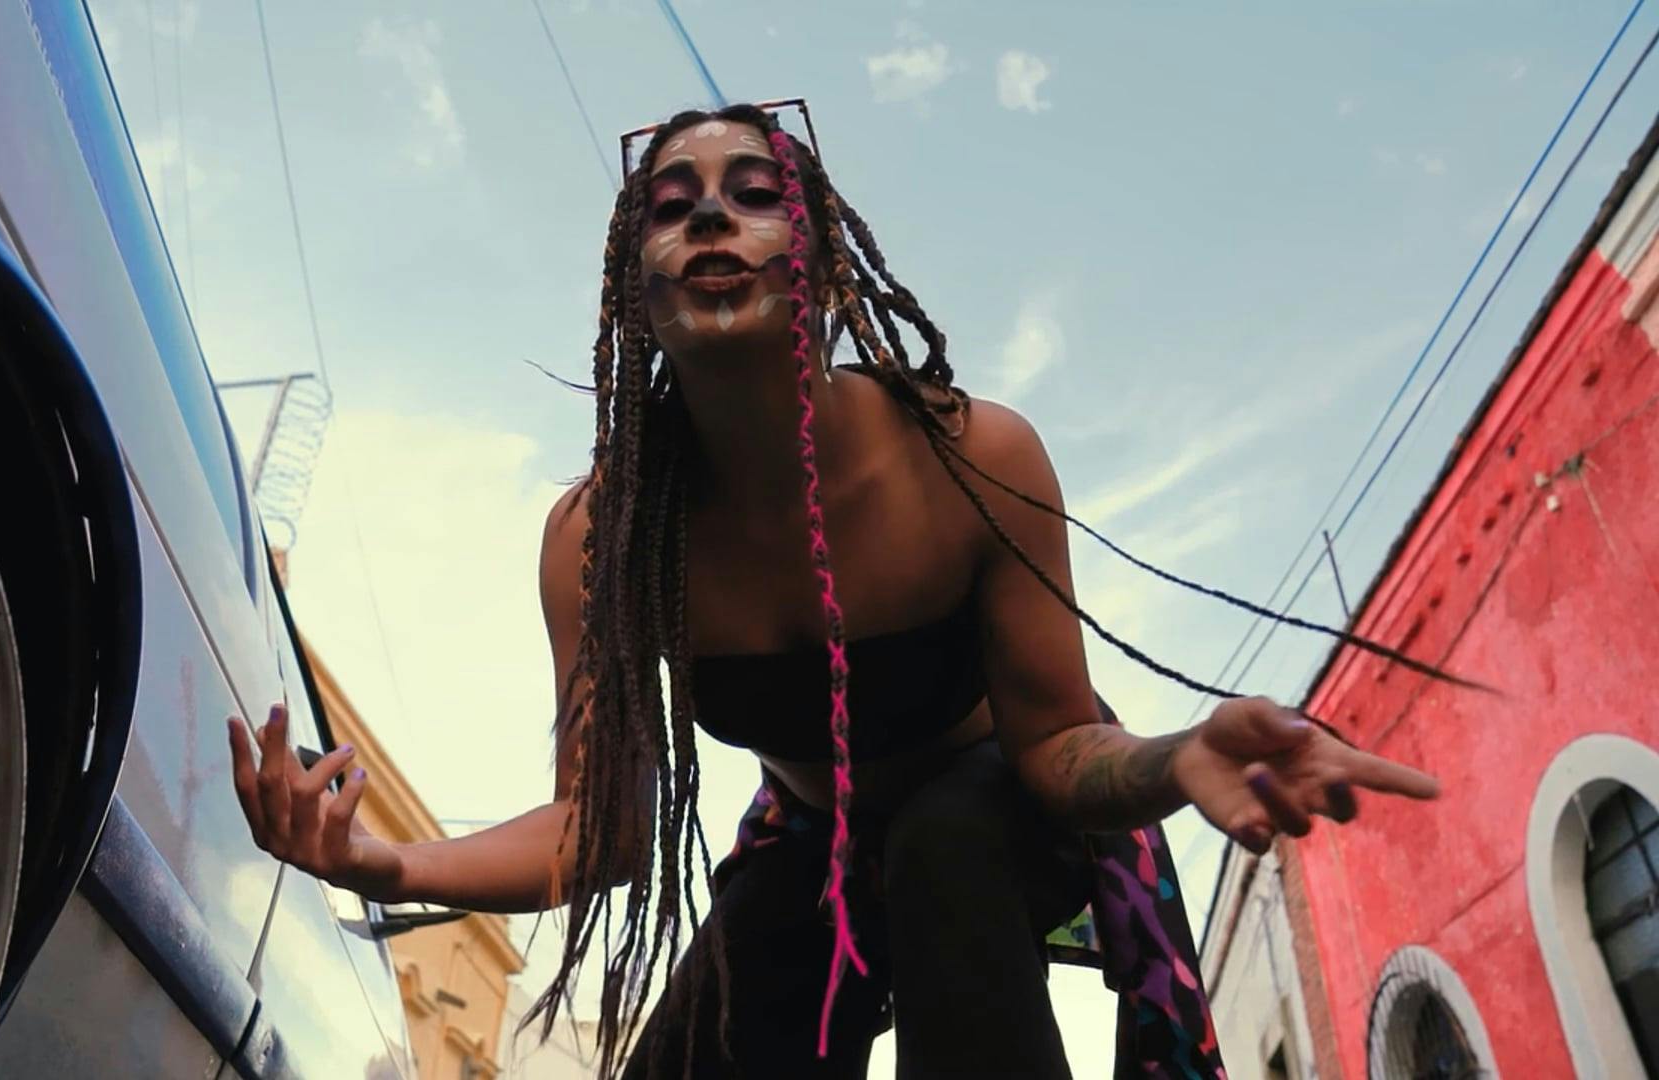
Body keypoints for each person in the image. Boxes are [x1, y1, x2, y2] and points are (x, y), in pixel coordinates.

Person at [227, 103, 1451, 1079]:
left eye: (755, 194)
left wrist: (1174, 754)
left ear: (817, 262)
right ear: (635, 289)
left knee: (944, 839)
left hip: (996, 816)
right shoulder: (600, 543)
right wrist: (390, 868)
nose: (712, 214)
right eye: (673, 204)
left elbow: (1057, 747)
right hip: (808, 844)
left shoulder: (972, 457)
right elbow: (602, 831)